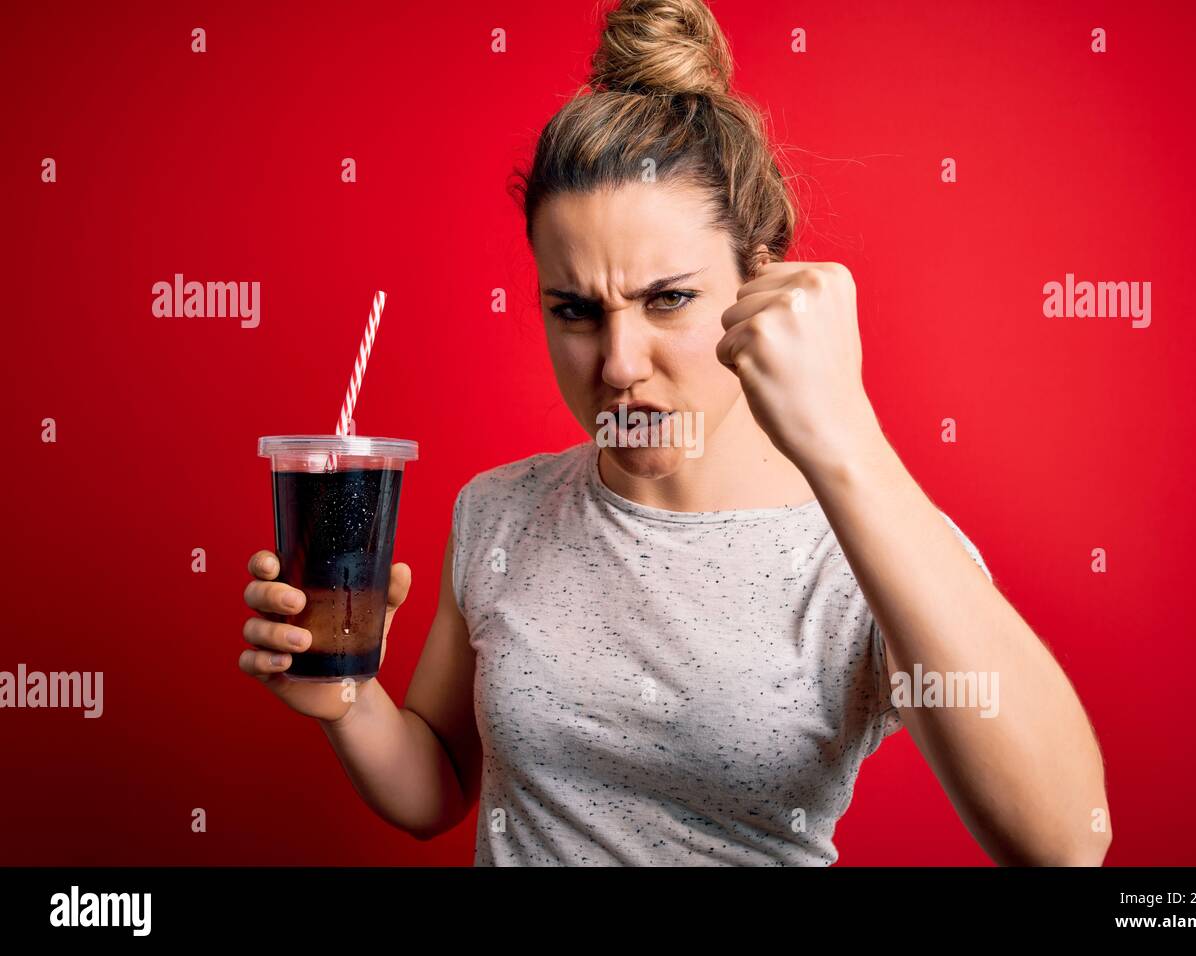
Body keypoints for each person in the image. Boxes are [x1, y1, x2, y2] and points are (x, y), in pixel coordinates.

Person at [240, 0, 1111, 866]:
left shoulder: (858, 548)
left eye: (669, 299)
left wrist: (845, 438)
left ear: (762, 280)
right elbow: (436, 789)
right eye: (576, 311)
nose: (618, 363)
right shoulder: (499, 514)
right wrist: (346, 699)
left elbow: (1066, 843)